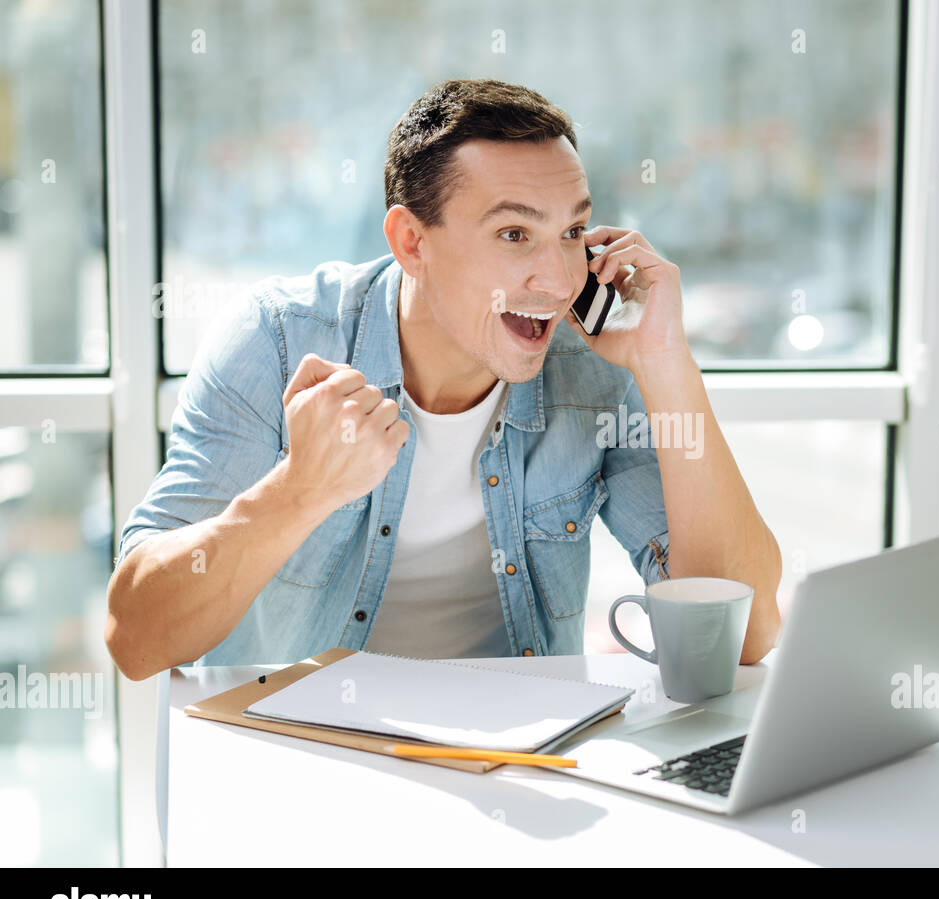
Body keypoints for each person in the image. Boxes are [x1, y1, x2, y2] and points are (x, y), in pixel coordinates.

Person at [105, 78, 782, 680]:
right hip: (303, 772)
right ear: (412, 243)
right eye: (515, 234)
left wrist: (667, 362)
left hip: (511, 775)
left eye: (573, 230)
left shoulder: (591, 368)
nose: (557, 279)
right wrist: (298, 491)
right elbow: (135, 638)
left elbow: (745, 636)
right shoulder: (278, 340)